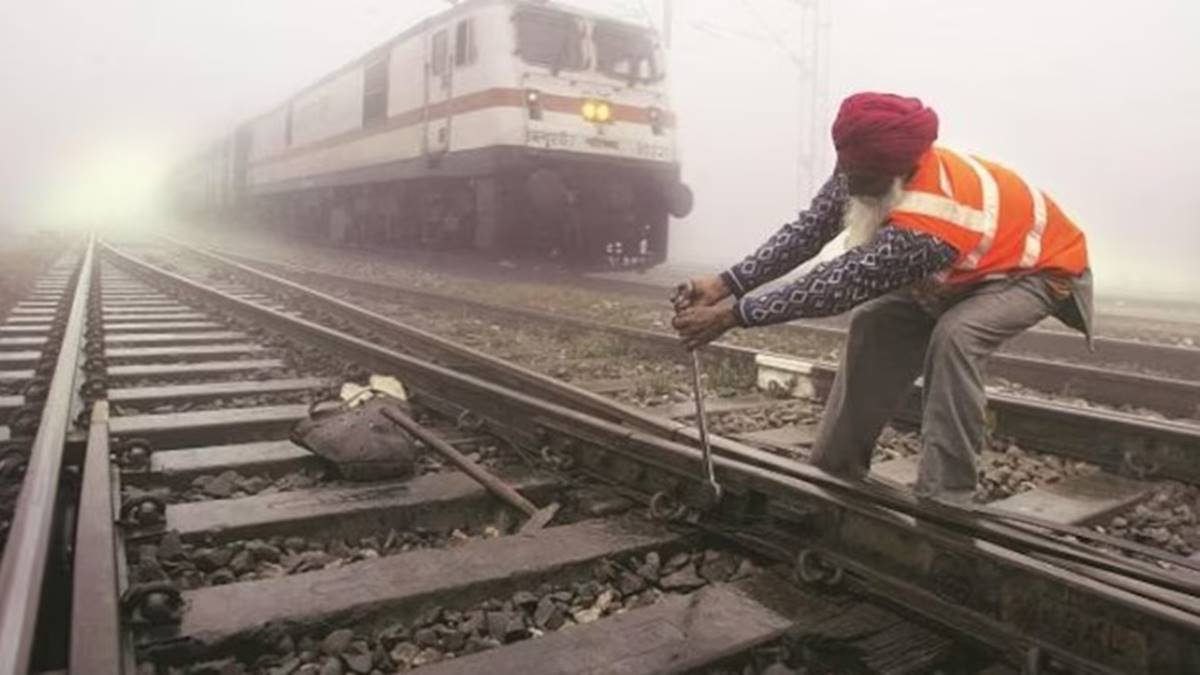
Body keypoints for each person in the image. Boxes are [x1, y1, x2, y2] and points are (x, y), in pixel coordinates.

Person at [672, 92, 1092, 504]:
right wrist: (727, 282)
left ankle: (947, 496)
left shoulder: (929, 222)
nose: (851, 188)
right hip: (966, 270)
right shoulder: (863, 166)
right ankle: (833, 470)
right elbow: (810, 231)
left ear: (903, 173)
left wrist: (733, 316)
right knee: (874, 321)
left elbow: (838, 283)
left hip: (1040, 269)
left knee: (956, 338)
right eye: (847, 174)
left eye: (863, 183)